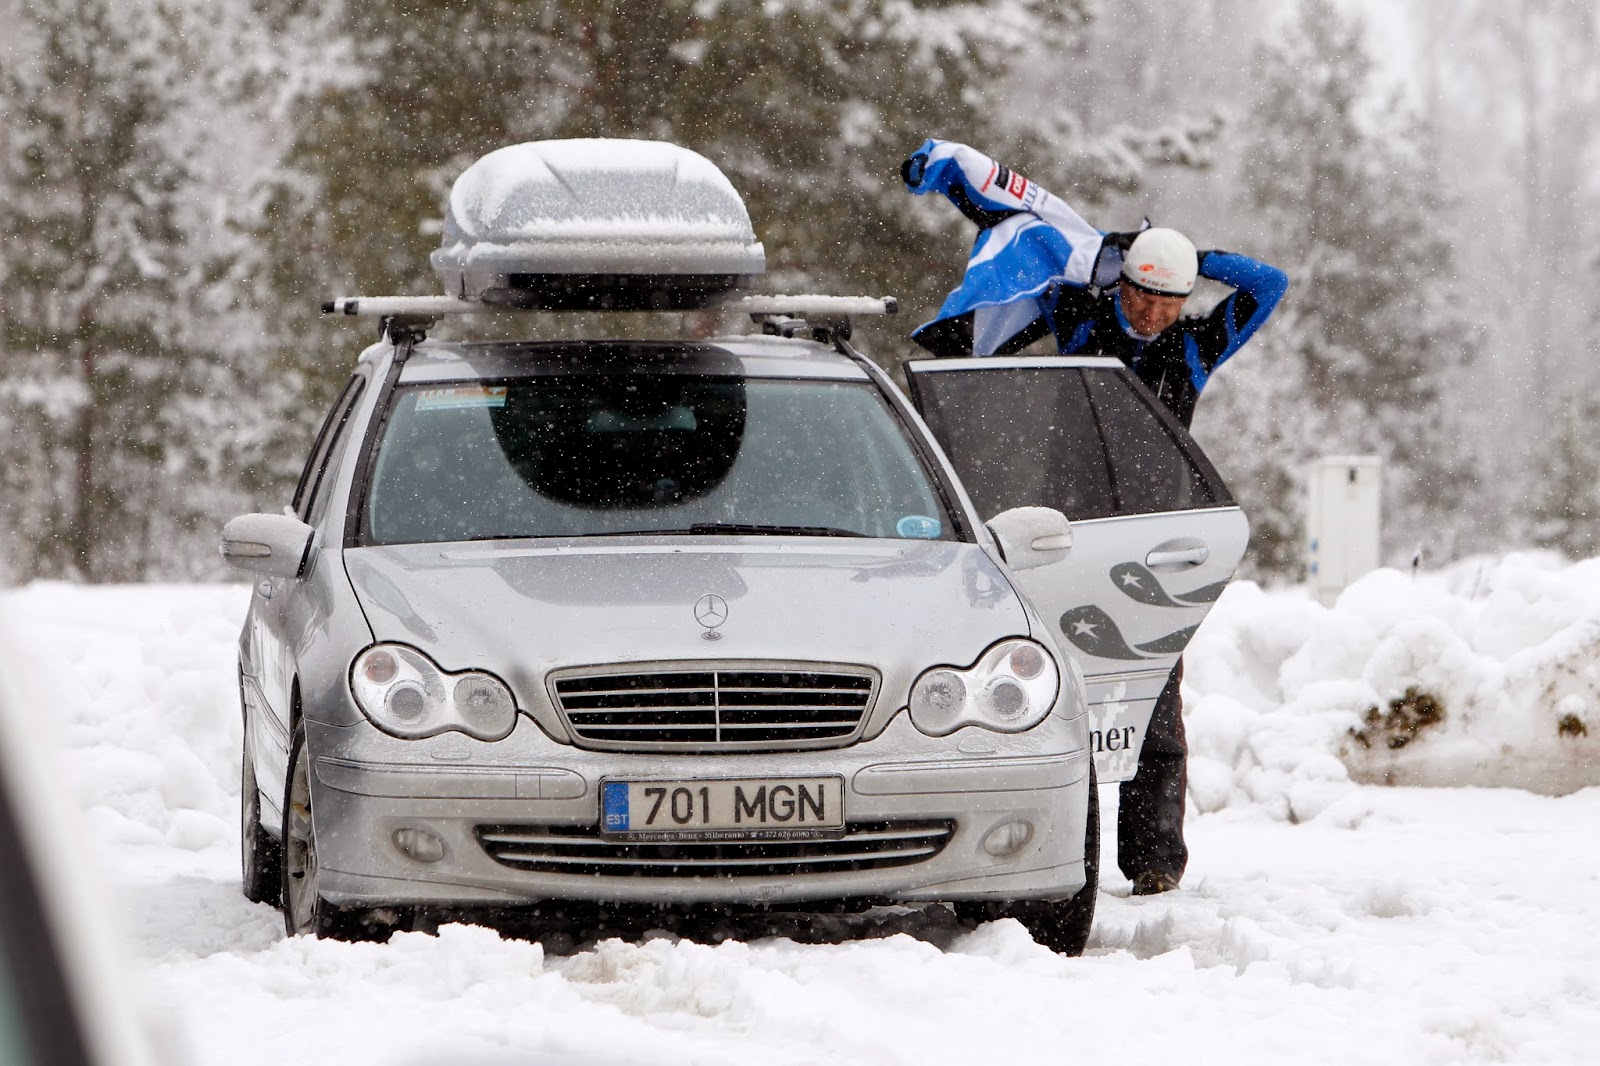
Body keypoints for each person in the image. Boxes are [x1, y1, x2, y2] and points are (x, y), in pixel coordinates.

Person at [902, 138, 1288, 895]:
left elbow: (1269, 285)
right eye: (1139, 291)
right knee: (1059, 686)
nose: (1148, 311)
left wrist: (1196, 257)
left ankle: (1152, 863)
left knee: (1154, 695)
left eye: (1166, 299)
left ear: (1183, 302)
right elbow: (1028, 246)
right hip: (1069, 522)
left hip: (1152, 533)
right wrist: (1111, 253)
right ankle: (1054, 849)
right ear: (1119, 286)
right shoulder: (1083, 315)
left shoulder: (1197, 346)